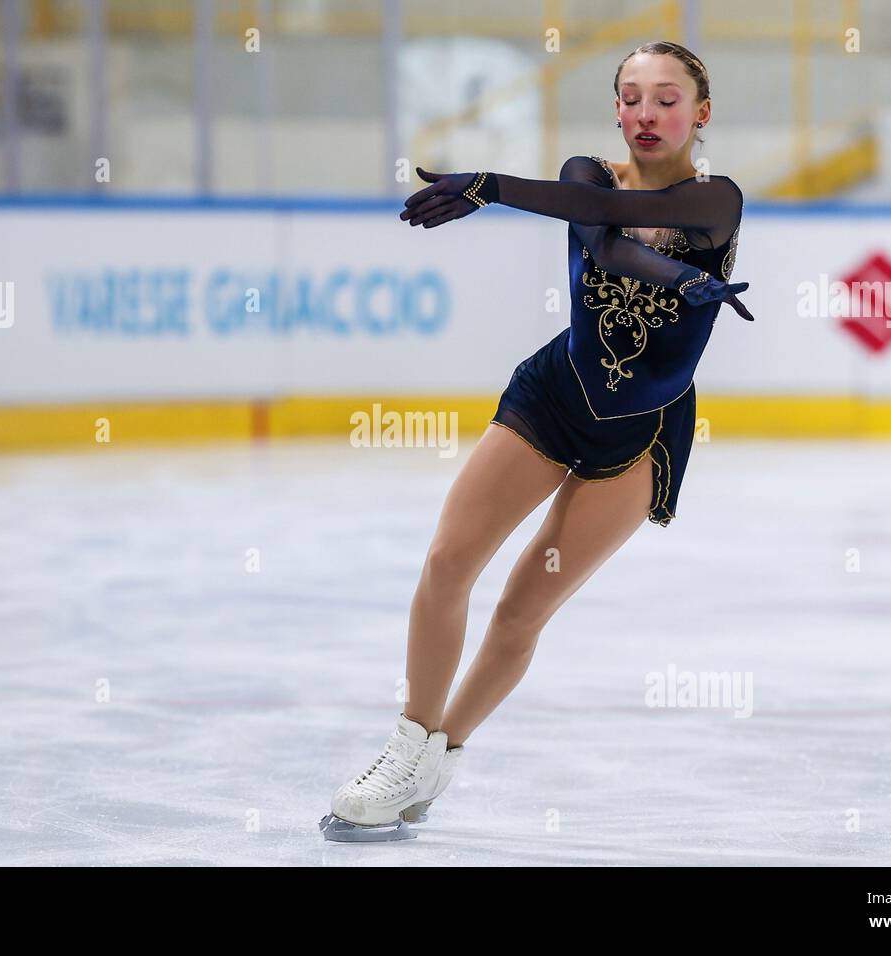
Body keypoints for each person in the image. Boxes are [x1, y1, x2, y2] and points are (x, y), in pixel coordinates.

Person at [321, 41, 753, 843]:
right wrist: (682, 281)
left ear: (701, 112)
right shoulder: (586, 176)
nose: (646, 114)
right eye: (630, 97)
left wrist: (498, 189)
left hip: (641, 433)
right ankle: (405, 743)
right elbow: (605, 241)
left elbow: (629, 231)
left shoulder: (716, 199)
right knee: (450, 560)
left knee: (523, 609)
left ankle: (441, 757)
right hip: (552, 398)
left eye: (666, 98)